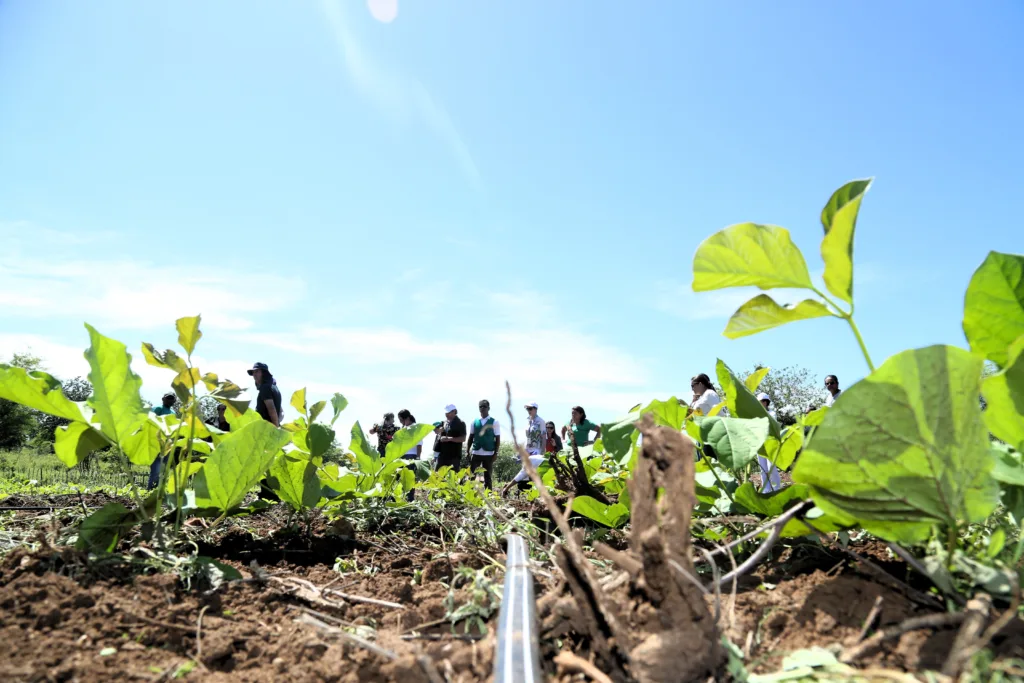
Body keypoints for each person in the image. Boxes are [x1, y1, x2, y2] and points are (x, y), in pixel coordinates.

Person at [466, 400, 501, 490]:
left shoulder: (494, 422)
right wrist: (467, 451)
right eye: (480, 407)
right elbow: (471, 437)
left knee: (488, 477)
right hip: (476, 452)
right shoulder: (474, 422)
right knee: (472, 475)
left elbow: (497, 438)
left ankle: (488, 495)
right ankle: (469, 493)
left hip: (489, 454)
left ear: (488, 408)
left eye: (484, 406)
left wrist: (496, 453)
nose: (482, 408)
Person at [147, 392, 177, 489]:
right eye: (168, 398)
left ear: (174, 401)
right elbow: (150, 422)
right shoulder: (158, 409)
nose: (170, 400)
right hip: (157, 442)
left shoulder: (173, 413)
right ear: (163, 399)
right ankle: (150, 491)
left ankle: (159, 492)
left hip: (168, 444)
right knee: (156, 469)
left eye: (172, 398)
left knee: (164, 469)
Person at [756, 393, 782, 493]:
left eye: (761, 401)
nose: (759, 404)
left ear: (766, 402)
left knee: (771, 466)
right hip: (760, 443)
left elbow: (770, 425)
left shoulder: (772, 413)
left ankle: (776, 488)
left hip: (770, 442)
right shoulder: (756, 415)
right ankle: (766, 489)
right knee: (763, 468)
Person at [247, 362, 282, 427]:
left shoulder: (265, 388)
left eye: (257, 371)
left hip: (266, 429)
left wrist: (275, 428)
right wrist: (278, 424)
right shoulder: (274, 388)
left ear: (264, 373)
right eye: (253, 372)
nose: (254, 375)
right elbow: (281, 412)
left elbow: (271, 409)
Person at [397, 409, 422, 501]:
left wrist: (418, 457)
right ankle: (402, 498)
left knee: (410, 479)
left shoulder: (415, 427)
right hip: (402, 456)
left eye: (401, 420)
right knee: (401, 478)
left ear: (407, 418)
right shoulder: (404, 428)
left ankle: (410, 499)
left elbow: (419, 444)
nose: (400, 422)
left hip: (411, 456)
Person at [434, 404, 466, 471]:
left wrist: (449, 439)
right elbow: (434, 429)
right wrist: (438, 430)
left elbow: (463, 438)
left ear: (454, 411)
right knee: (437, 476)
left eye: (448, 413)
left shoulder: (461, 423)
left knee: (453, 478)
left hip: (454, 456)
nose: (446, 414)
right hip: (442, 455)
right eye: (446, 413)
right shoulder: (443, 422)